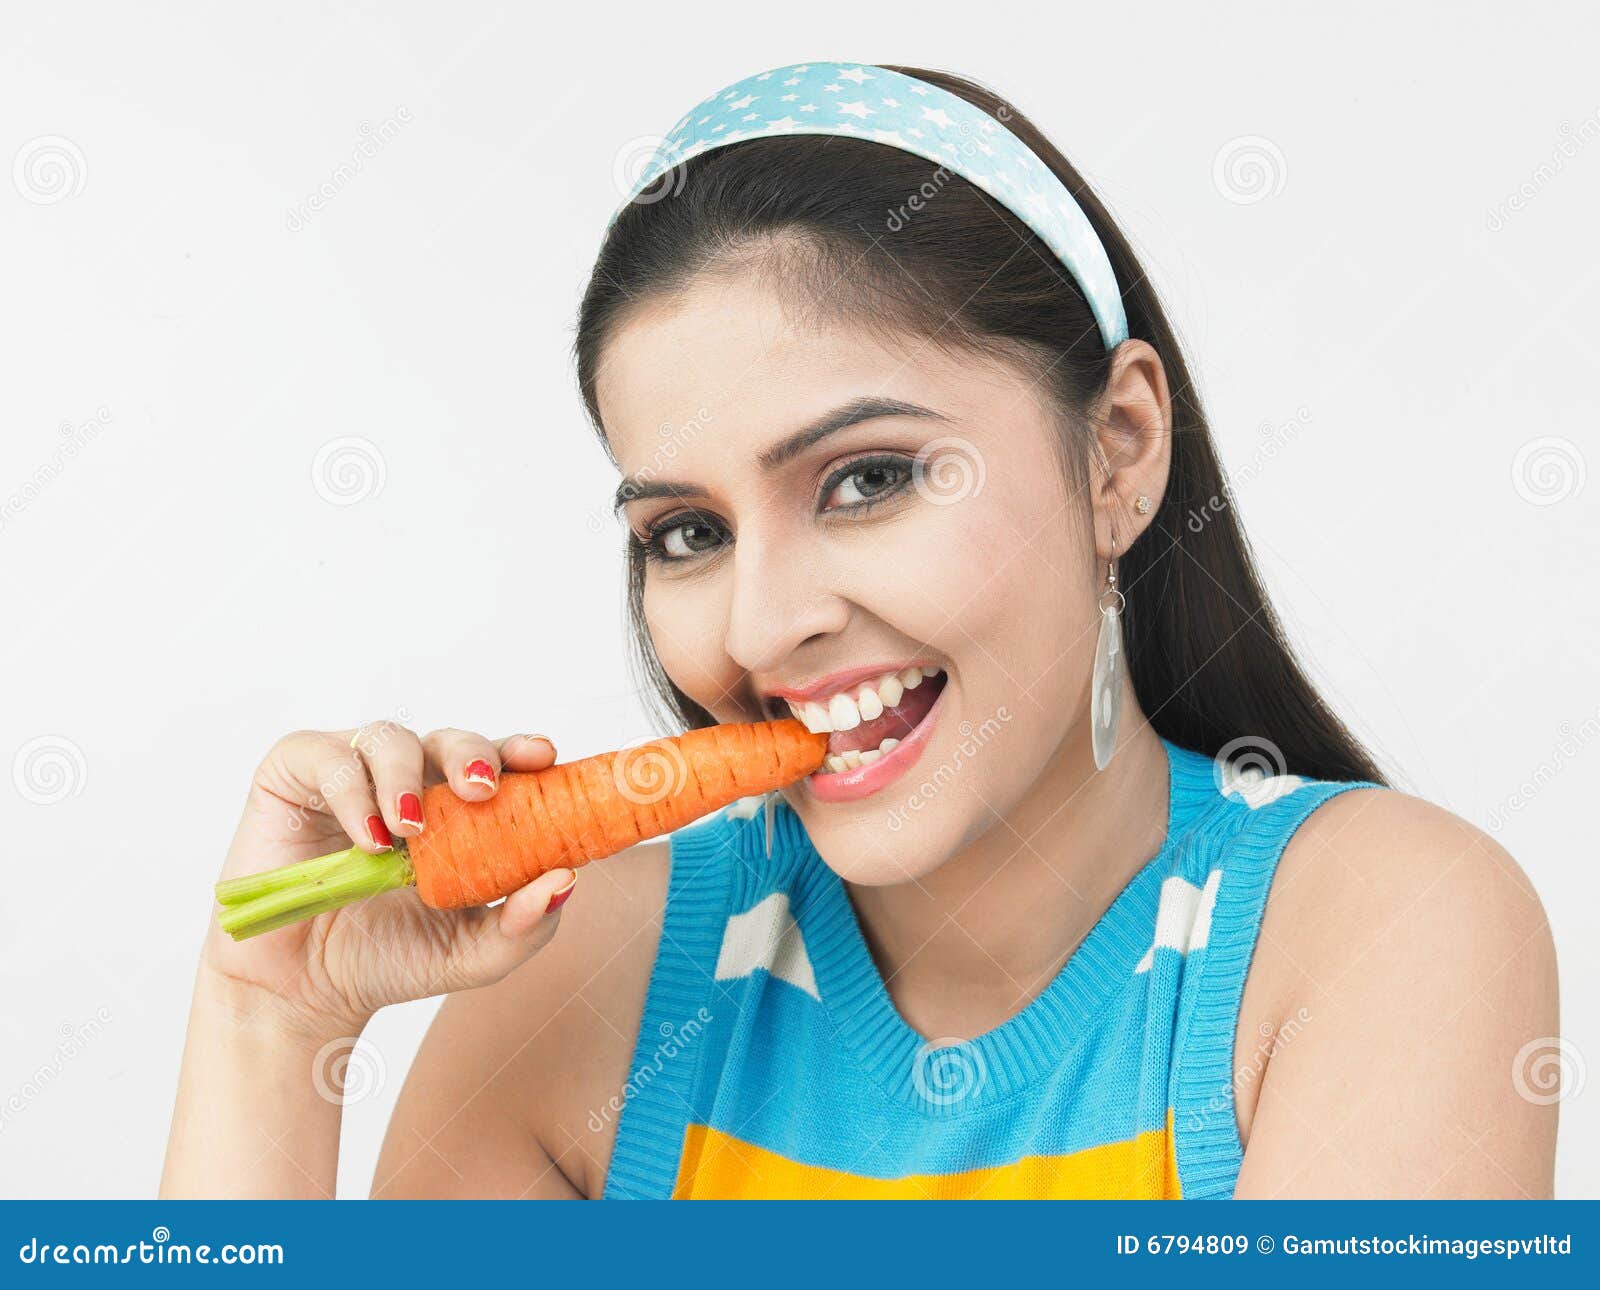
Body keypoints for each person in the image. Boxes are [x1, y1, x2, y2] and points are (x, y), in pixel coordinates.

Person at [162, 61, 1559, 1200]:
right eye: (687, 535)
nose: (763, 624)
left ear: (1119, 453)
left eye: (868, 478)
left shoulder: (1376, 929)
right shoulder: (591, 973)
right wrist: (270, 1022)